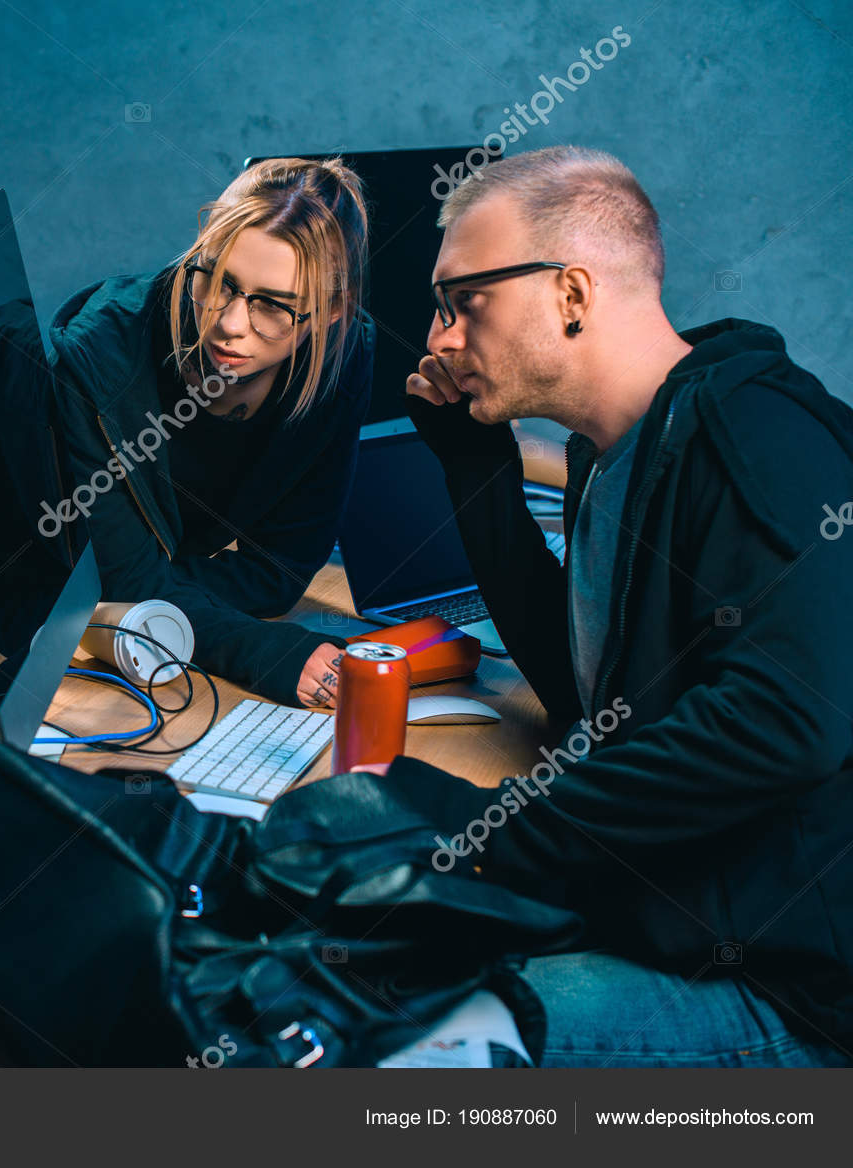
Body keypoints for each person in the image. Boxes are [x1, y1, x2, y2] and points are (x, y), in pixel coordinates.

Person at [364, 144, 853, 1066]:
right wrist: (475, 466)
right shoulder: (607, 452)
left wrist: (494, 837)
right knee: (345, 884)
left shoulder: (760, 436)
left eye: (461, 302)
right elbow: (577, 686)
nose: (437, 340)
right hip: (677, 900)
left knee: (413, 1039)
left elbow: (789, 722)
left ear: (572, 295)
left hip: (792, 990)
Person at [45, 157, 376, 706]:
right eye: (218, 281)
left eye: (274, 305)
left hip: (117, 600)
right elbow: (123, 582)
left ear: (331, 311)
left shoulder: (343, 359)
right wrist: (260, 649)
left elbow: (279, 571)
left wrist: (156, 598)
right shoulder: (95, 359)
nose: (229, 323)